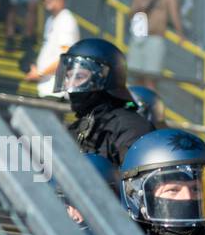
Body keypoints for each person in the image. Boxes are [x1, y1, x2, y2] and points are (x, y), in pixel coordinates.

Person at [56, 37, 154, 166]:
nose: (70, 85)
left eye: (79, 77)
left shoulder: (132, 128)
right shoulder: (78, 127)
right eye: (68, 77)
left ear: (105, 78)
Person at [126, 0, 183, 88]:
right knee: (136, 77)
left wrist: (180, 34)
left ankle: (151, 107)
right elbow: (130, 15)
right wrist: (139, 9)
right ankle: (136, 107)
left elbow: (175, 16)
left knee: (151, 80)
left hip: (155, 38)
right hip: (138, 39)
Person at [22, 0, 78, 98]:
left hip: (56, 91)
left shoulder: (66, 19)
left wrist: (40, 73)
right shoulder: (51, 20)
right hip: (48, 89)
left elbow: (66, 57)